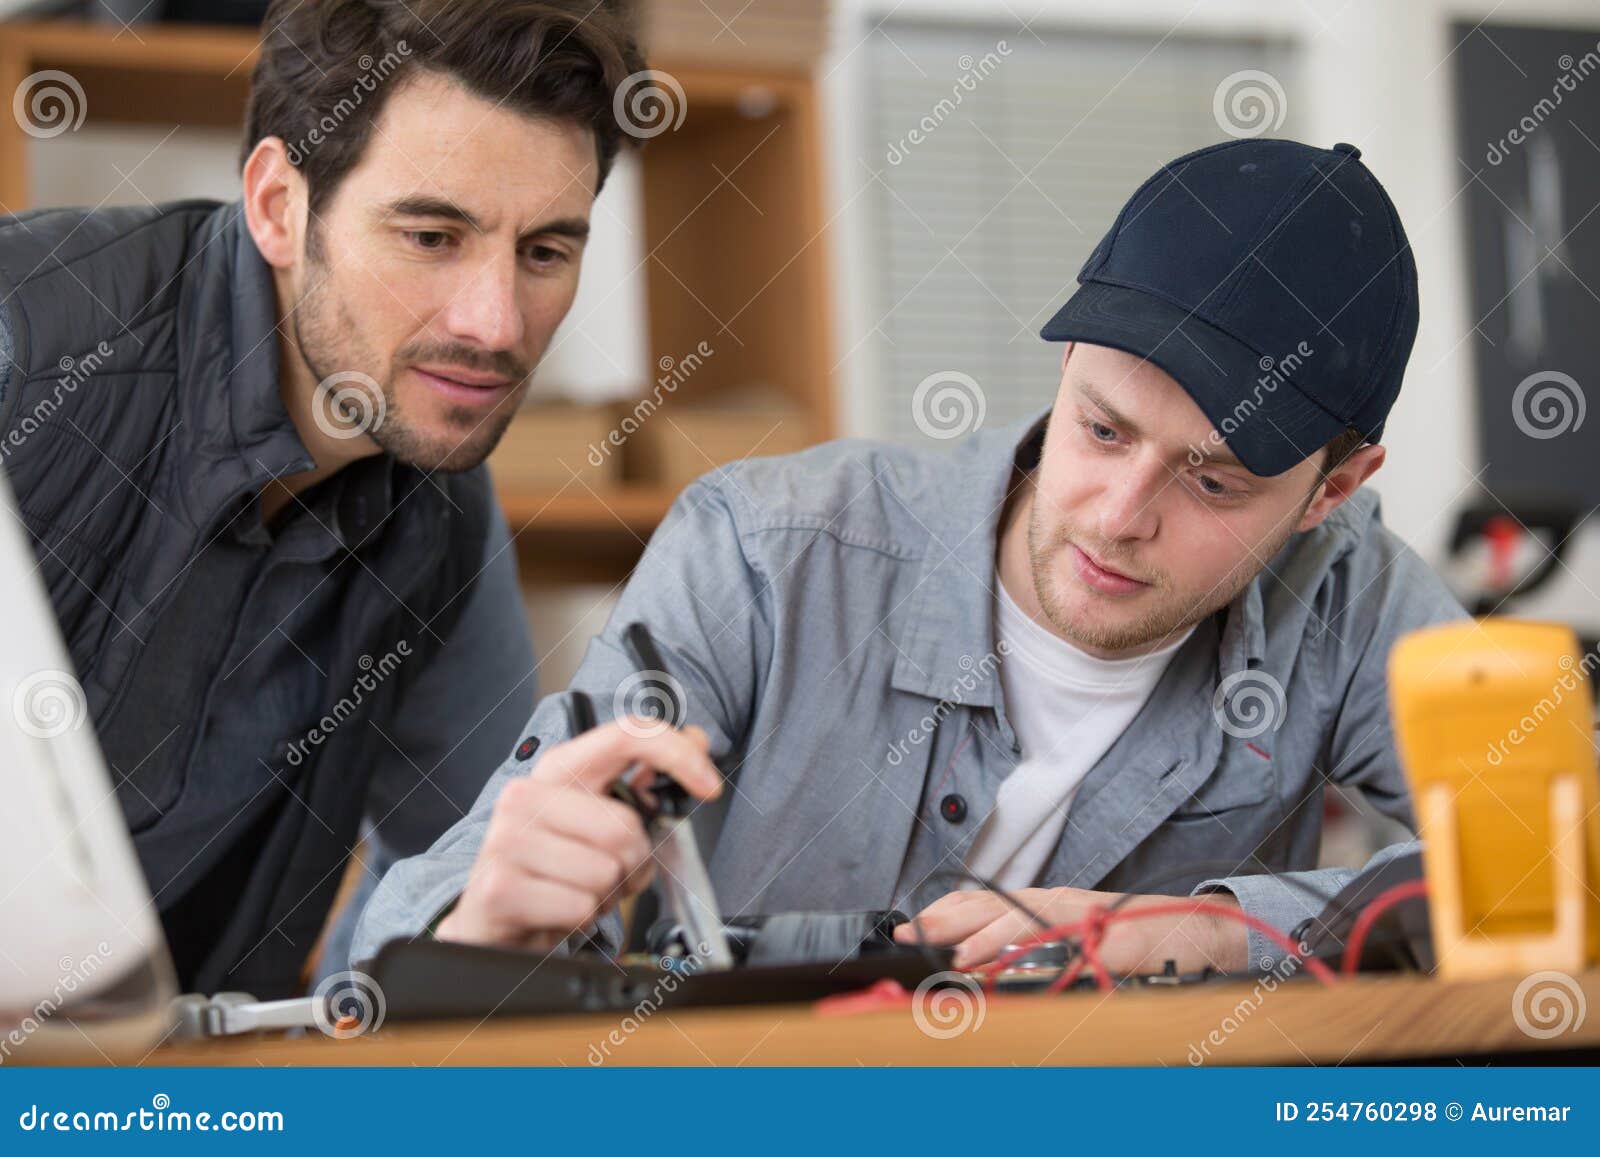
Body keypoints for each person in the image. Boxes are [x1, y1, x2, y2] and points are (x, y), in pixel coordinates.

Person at [354, 138, 1464, 976]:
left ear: (1334, 489)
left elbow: (1571, 859)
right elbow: (422, 933)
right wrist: (483, 921)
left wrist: (1200, 930)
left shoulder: (1353, 604)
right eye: (1102, 429)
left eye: (1212, 481)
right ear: (1069, 352)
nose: (1120, 513)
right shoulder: (766, 548)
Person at [0, 0, 644, 998]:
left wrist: (492, 924)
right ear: (276, 206)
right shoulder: (28, 347)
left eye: (545, 252)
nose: (495, 322)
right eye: (432, 235)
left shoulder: (442, 521)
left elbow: (457, 896)